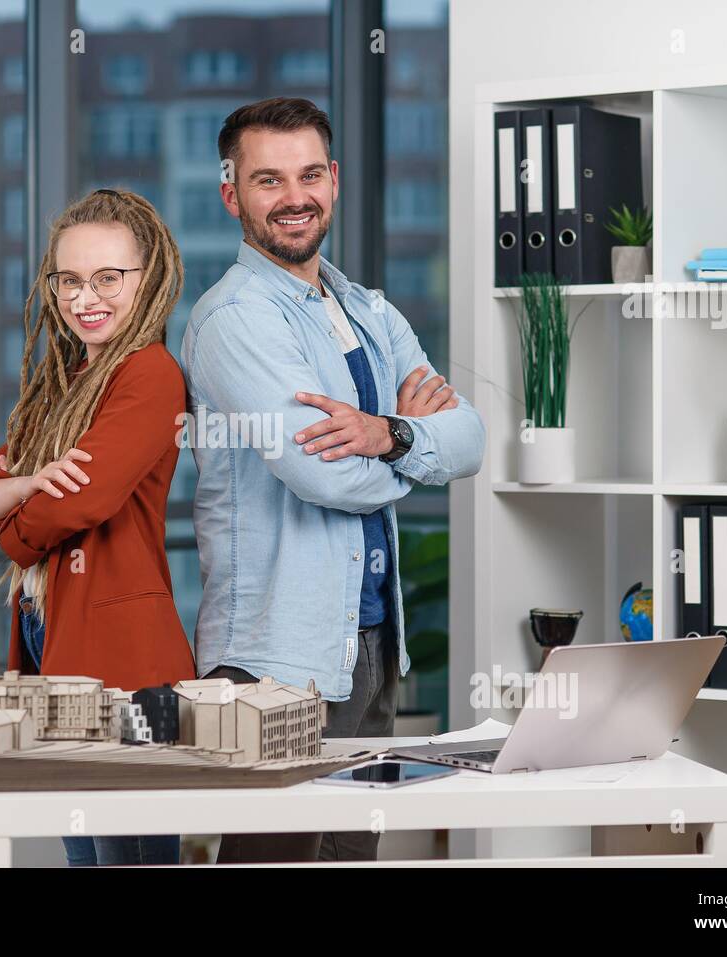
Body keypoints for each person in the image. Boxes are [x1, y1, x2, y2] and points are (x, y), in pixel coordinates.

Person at [180, 98, 487, 863]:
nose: (295, 197)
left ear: (335, 179)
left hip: (370, 640)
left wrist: (387, 433)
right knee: (273, 862)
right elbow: (324, 476)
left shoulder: (367, 309)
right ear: (231, 195)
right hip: (274, 657)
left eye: (309, 173)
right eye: (268, 179)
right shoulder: (233, 320)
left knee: (351, 853)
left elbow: (472, 438)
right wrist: (415, 448)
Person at [0, 188, 194, 867]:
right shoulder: (64, 386)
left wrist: (12, 527)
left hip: (128, 658)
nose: (86, 297)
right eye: (70, 280)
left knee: (129, 855)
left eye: (108, 278)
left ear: (148, 280)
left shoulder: (149, 373)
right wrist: (29, 481)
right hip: (51, 632)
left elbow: (80, 501)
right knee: (85, 852)